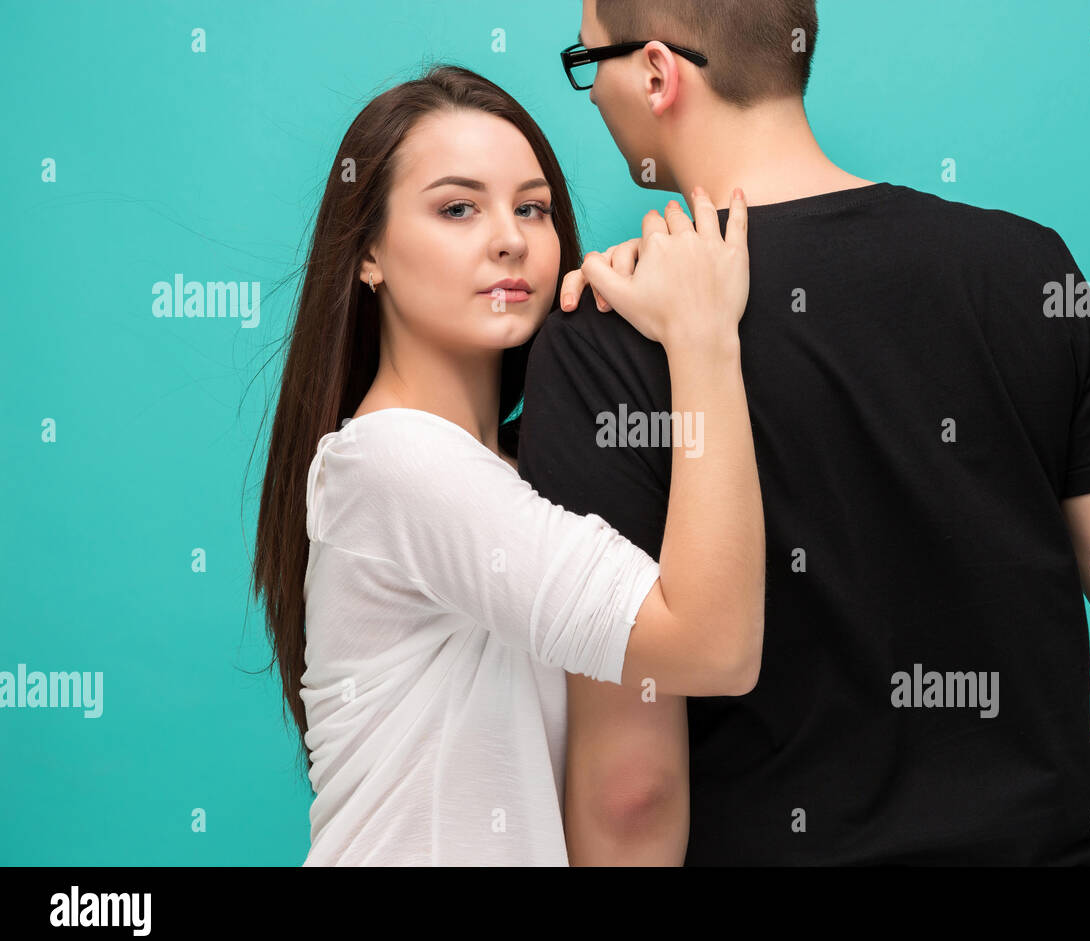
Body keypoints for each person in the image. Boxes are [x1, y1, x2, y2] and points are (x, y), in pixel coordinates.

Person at [517, 0, 1090, 865]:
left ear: (659, 73)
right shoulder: (1031, 270)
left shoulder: (601, 343)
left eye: (592, 63)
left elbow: (633, 791)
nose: (589, 95)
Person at [250, 64, 763, 865]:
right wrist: (702, 339)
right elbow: (713, 646)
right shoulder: (393, 462)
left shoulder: (526, 478)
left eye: (533, 207)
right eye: (458, 208)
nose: (510, 238)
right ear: (369, 253)